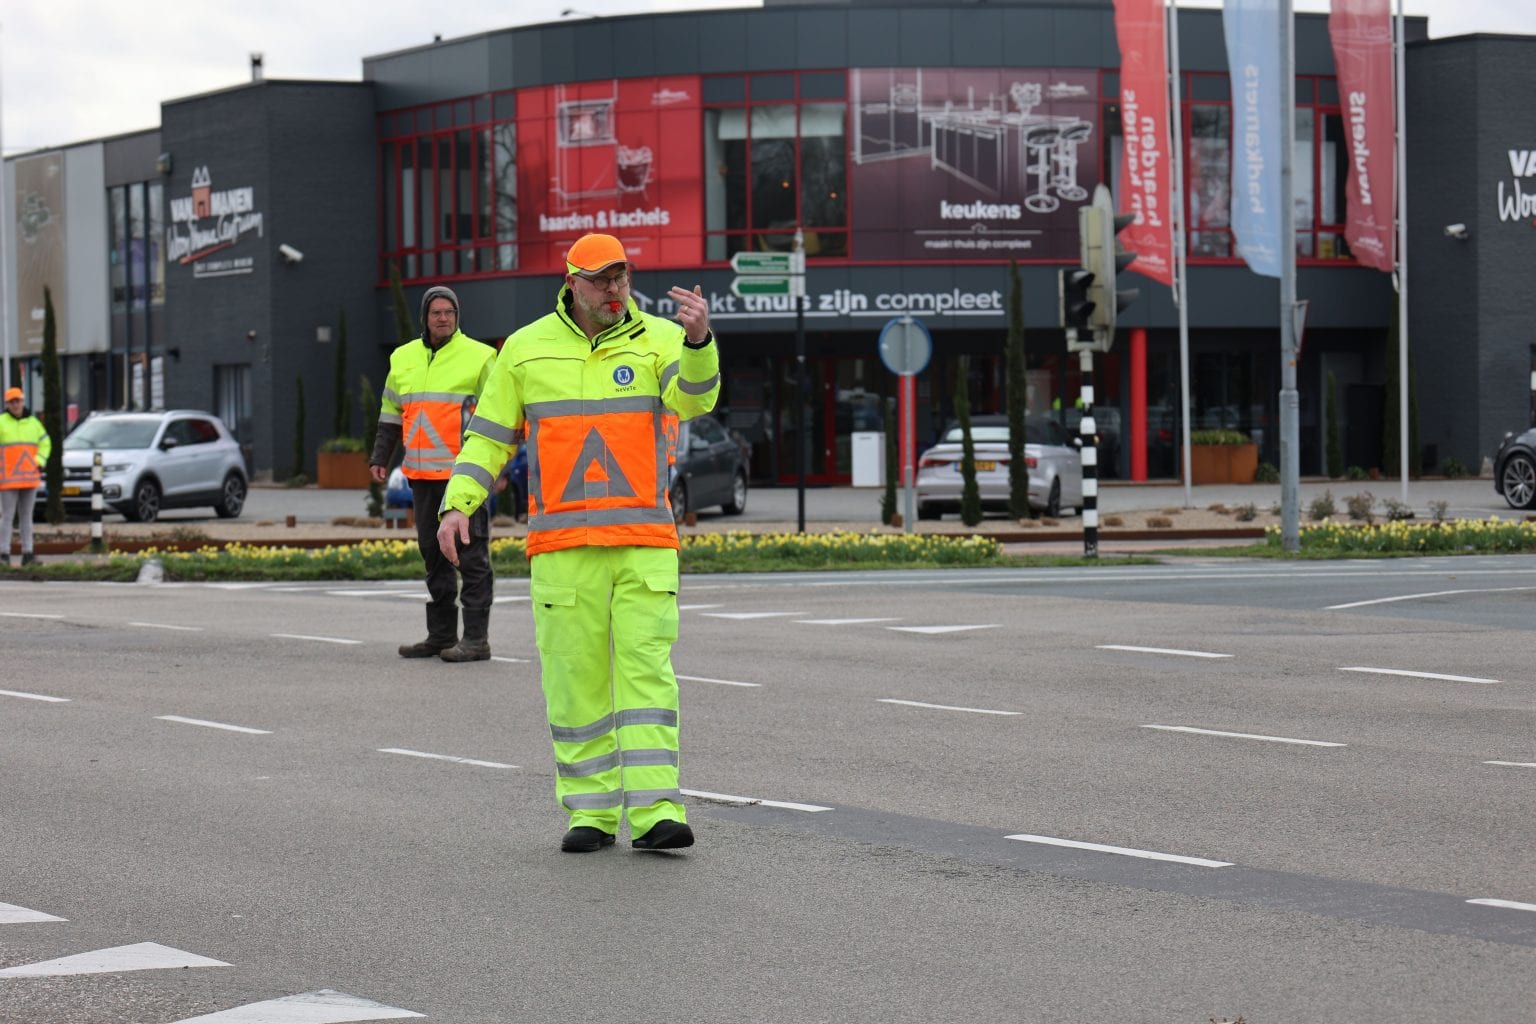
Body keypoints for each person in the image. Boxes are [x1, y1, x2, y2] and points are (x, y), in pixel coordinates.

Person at [437, 233, 719, 854]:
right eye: (600, 280)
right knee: (574, 683)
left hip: (643, 542)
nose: (614, 290)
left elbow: (696, 399)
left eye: (621, 278)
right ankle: (589, 815)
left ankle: (655, 813)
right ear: (572, 282)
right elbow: (487, 438)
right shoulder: (525, 349)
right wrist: (457, 504)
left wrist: (699, 341)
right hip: (563, 550)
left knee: (648, 678)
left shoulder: (663, 339)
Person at [370, 286, 497, 662]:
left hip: (465, 476)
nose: (443, 318)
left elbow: (498, 417)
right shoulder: (402, 357)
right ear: (424, 317)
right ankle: (440, 636)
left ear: (457, 316)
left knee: (471, 558)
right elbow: (391, 412)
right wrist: (380, 456)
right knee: (433, 556)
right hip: (422, 477)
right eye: (436, 312)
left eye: (450, 312)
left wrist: (495, 469)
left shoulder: (480, 356)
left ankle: (476, 640)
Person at [0, 387, 50, 567]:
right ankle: (3, 554)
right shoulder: (1, 422)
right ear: (7, 404)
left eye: (18, 401)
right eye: (12, 402)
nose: (15, 405)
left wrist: (40, 460)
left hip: (29, 478)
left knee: (26, 517)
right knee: (7, 517)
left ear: (23, 401)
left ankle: (27, 554)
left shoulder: (33, 423)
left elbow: (46, 442)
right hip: (8, 480)